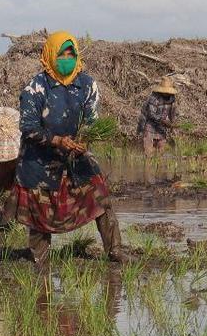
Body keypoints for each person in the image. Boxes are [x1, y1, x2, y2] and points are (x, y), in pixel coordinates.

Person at [14, 31, 125, 274]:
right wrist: (57, 140)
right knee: (39, 215)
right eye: (61, 54)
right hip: (39, 161)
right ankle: (39, 262)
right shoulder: (36, 88)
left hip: (75, 157)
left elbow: (92, 120)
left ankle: (115, 251)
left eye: (71, 54)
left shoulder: (86, 84)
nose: (67, 59)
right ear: (50, 55)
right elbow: (28, 127)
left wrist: (84, 139)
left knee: (101, 199)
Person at [135, 77, 178, 155]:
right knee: (148, 153)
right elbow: (151, 114)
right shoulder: (154, 98)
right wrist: (163, 120)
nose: (167, 93)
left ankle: (159, 165)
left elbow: (173, 111)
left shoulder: (172, 98)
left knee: (160, 152)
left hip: (161, 128)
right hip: (150, 126)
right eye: (165, 92)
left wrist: (172, 124)